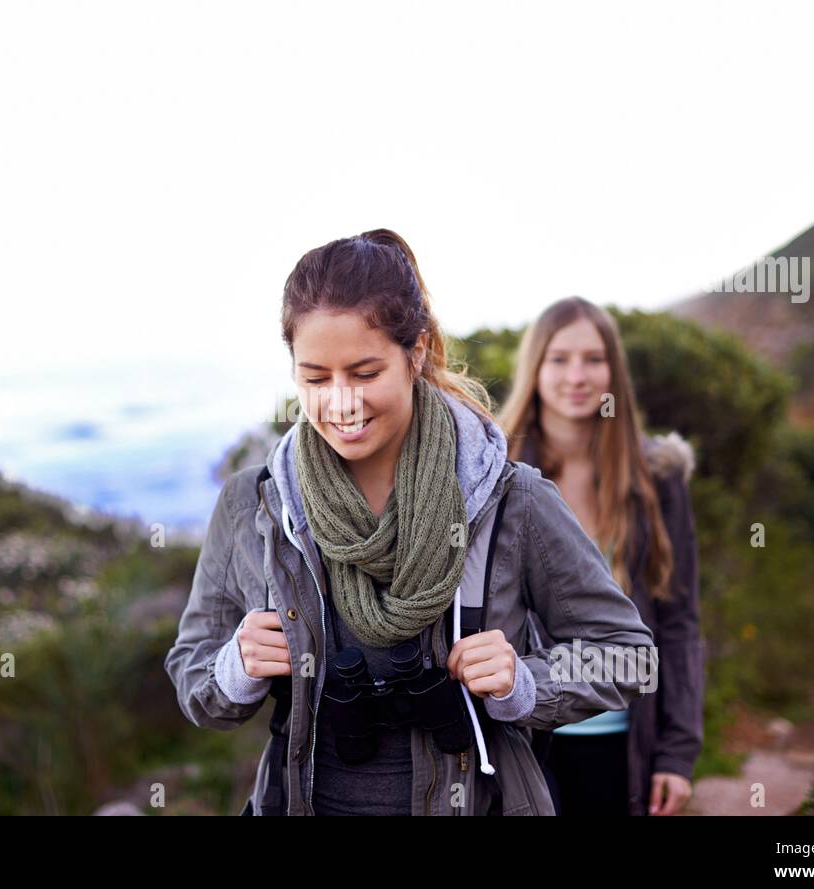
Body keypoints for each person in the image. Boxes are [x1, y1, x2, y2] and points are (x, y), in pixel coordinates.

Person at [164, 232, 655, 815]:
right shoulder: (255, 504)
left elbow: (628, 655)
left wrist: (524, 680)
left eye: (366, 373)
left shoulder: (511, 498)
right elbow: (193, 676)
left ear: (416, 351)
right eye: (315, 379)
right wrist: (234, 667)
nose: (341, 403)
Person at [496, 296, 705, 816]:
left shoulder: (657, 478)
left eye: (594, 358)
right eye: (560, 358)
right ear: (535, 368)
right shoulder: (495, 476)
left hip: (627, 739)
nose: (577, 375)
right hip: (525, 736)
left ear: (614, 369)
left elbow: (678, 622)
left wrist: (677, 754)